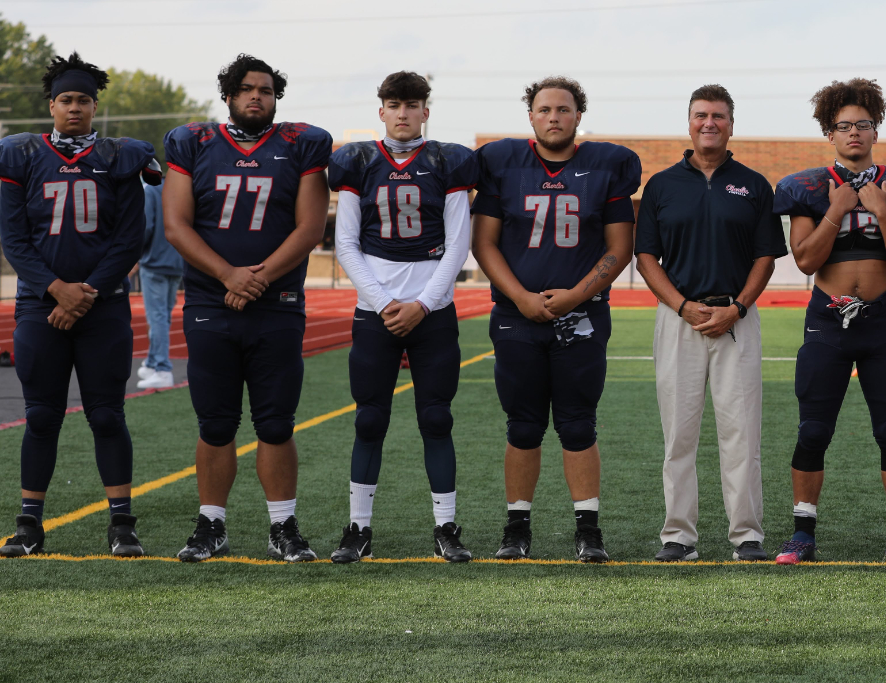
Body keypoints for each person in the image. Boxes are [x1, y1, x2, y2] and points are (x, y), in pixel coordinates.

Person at [163, 54, 332, 562]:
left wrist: (255, 279)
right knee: (215, 423)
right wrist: (228, 275)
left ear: (276, 98)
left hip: (276, 302)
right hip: (211, 301)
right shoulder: (193, 141)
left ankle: (282, 526)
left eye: (266, 90)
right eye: (246, 89)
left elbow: (310, 228)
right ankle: (210, 524)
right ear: (229, 95)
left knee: (276, 422)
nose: (257, 96)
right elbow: (176, 225)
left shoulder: (301, 143)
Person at [471, 76, 639, 563]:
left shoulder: (606, 165)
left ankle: (588, 530)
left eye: (563, 109)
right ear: (530, 116)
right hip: (516, 316)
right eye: (544, 109)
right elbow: (483, 243)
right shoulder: (503, 162)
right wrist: (521, 296)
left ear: (578, 115)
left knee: (578, 424)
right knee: (523, 426)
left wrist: (576, 295)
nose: (554, 117)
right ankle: (516, 528)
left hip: (582, 315)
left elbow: (620, 246)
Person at [0, 53, 161, 558]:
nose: (75, 108)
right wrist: (57, 289)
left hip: (102, 306)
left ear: (95, 107)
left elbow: (129, 238)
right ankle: (29, 524)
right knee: (41, 417)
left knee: (107, 415)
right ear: (51, 105)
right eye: (66, 99)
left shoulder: (120, 157)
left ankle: (122, 524)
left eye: (84, 100)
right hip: (40, 306)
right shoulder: (21, 155)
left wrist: (83, 293)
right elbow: (14, 238)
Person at [772, 79, 886, 565]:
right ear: (830, 133)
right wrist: (837, 209)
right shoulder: (807, 187)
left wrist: (882, 211)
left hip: (881, 322)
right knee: (813, 431)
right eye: (844, 126)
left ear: (876, 130)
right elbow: (804, 260)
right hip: (827, 320)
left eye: (863, 124)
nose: (854, 133)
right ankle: (802, 534)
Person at [327, 72, 478, 563]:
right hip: (377, 311)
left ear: (425, 111)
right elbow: (345, 243)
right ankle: (358, 529)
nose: (403, 113)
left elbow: (458, 244)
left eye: (412, 105)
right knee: (369, 420)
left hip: (432, 310)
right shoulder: (358, 161)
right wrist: (384, 302)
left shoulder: (446, 160)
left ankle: (446, 527)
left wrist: (423, 305)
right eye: (394, 105)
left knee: (436, 418)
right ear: (382, 111)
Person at [636, 84, 787, 562]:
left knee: (741, 434)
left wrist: (737, 307)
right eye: (701, 115)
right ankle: (678, 536)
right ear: (689, 123)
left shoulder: (754, 185)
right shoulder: (661, 185)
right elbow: (646, 257)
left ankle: (747, 535)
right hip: (678, 319)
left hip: (736, 319)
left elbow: (766, 256)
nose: (709, 123)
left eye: (718, 116)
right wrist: (682, 305)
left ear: (731, 125)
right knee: (679, 435)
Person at [137, 179, 183, 391]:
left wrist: (134, 254)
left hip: (155, 262)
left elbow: (145, 228)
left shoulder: (151, 191)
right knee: (163, 316)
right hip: (177, 261)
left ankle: (162, 368)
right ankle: (152, 361)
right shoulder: (178, 188)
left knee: (157, 317)